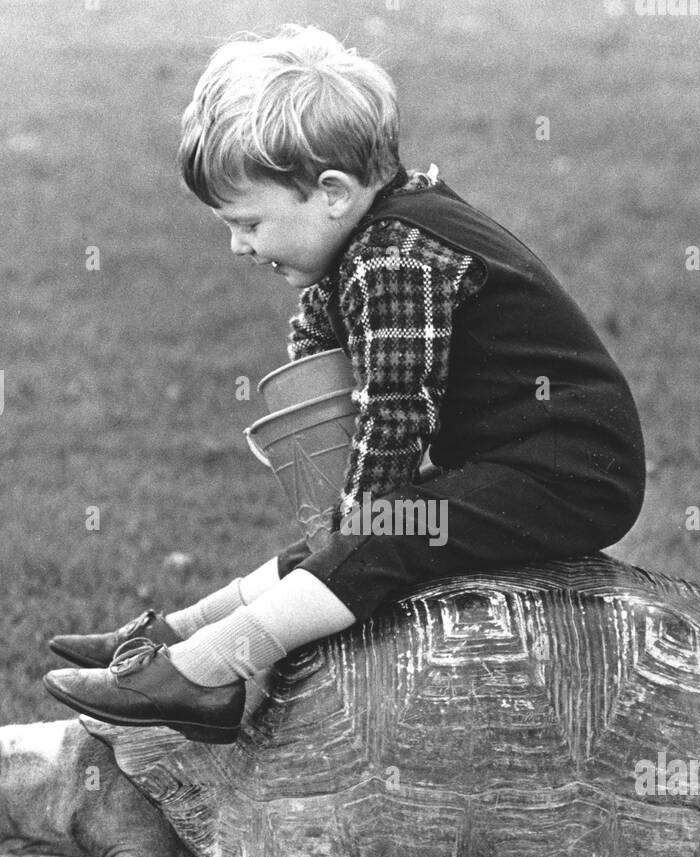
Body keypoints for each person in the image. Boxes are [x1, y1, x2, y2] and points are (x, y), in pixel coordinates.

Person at [43, 24, 646, 745]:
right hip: (516, 460)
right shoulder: (370, 233)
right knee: (349, 540)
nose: (239, 246)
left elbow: (395, 411)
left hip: (568, 474)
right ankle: (173, 639)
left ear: (330, 193)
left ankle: (207, 676)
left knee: (377, 535)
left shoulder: (395, 258)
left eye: (249, 223)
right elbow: (323, 348)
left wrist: (352, 521)